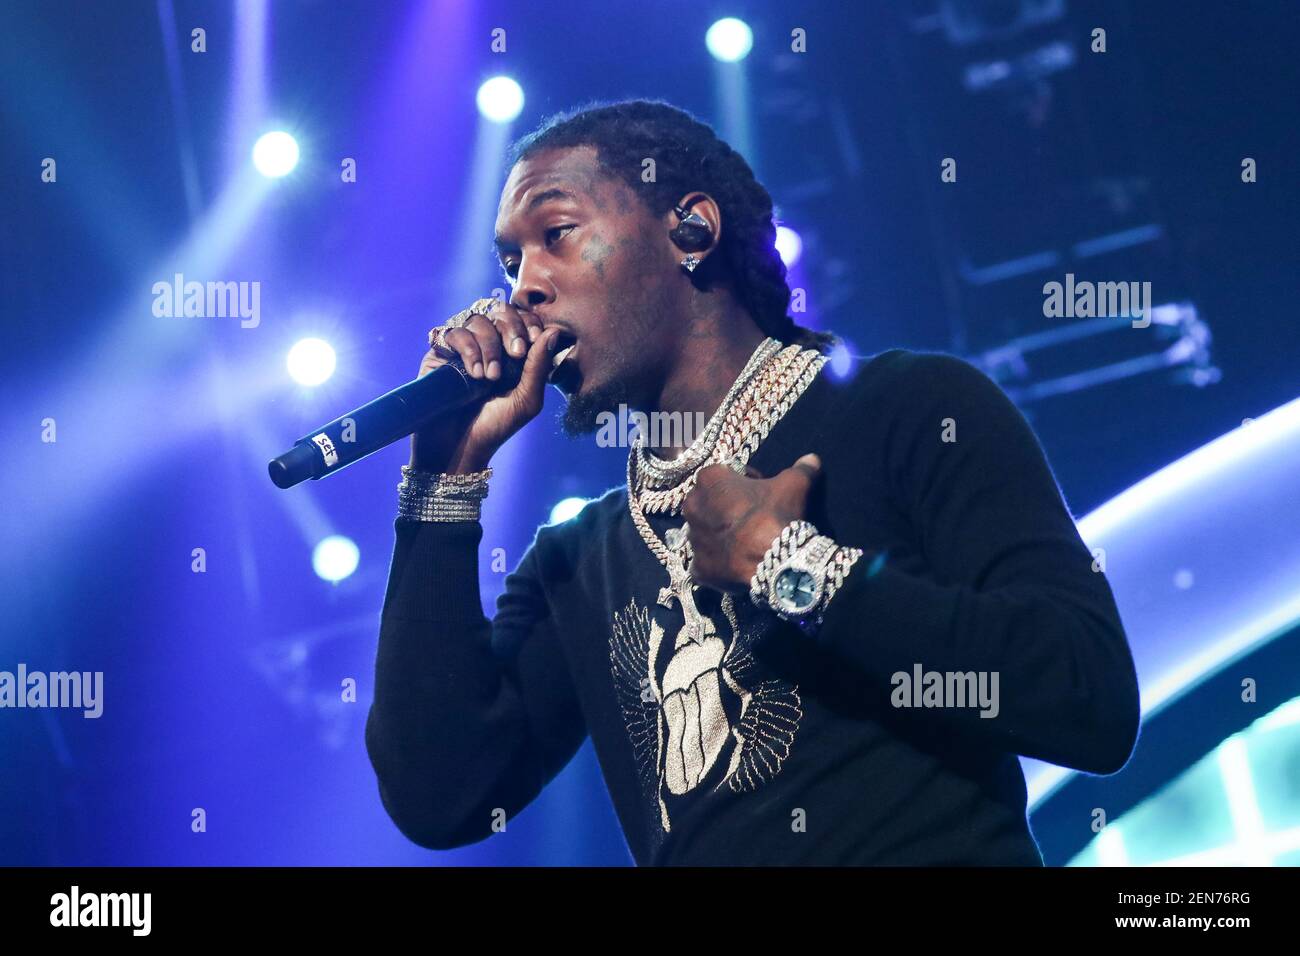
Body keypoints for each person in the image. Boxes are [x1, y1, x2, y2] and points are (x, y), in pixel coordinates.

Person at [364, 99, 1141, 865]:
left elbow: (1088, 698)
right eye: (510, 261)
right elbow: (443, 797)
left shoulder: (908, 409)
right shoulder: (576, 562)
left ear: (692, 229)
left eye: (556, 235)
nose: (523, 289)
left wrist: (793, 568)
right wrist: (444, 480)